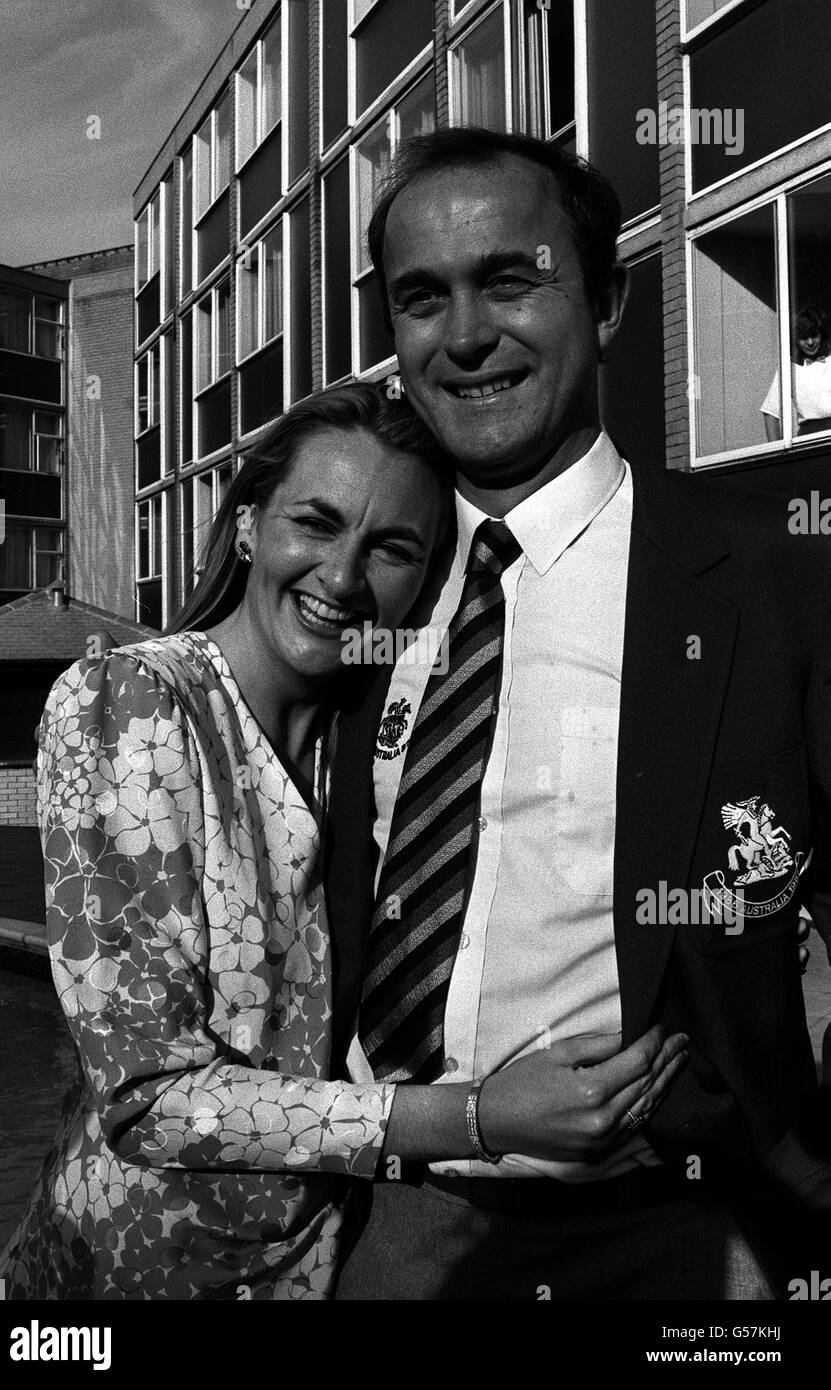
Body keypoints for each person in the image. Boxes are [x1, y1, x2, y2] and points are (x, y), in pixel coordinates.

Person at [0, 382, 686, 1301]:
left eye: (392, 549)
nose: (344, 578)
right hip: (133, 1274)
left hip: (325, 1267)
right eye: (314, 524)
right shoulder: (131, 706)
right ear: (246, 527)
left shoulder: (367, 739)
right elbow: (145, 1099)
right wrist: (474, 1118)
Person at [327, 128, 831, 1301]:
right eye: (421, 299)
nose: (463, 335)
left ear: (604, 301)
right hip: (386, 1226)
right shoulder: (357, 592)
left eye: (510, 279)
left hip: (679, 1231)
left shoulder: (772, 578)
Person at [761, 306, 831, 440]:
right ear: (795, 340)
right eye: (804, 338)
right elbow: (770, 412)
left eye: (814, 335)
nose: (810, 342)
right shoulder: (790, 369)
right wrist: (778, 454)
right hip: (810, 437)